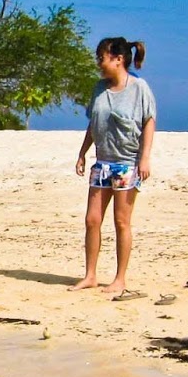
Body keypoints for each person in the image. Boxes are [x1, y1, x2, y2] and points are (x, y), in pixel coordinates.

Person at [70, 37, 154, 298]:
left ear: (118, 59)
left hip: (127, 163)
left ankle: (120, 278)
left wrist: (145, 158)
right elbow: (93, 124)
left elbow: (149, 122)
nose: (99, 63)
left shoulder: (139, 88)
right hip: (102, 163)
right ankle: (90, 275)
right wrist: (83, 153)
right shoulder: (99, 89)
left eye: (102, 57)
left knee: (121, 222)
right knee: (92, 219)